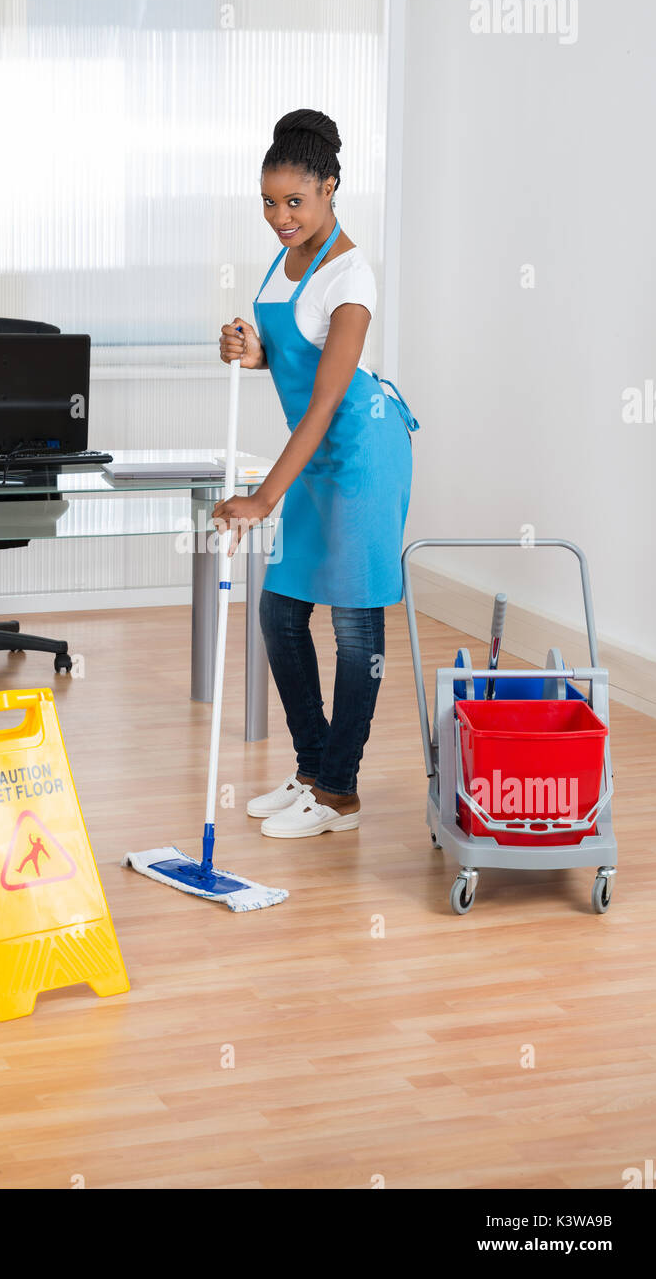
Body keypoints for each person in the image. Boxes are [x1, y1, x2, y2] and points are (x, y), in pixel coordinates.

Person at [213, 109, 419, 839]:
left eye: (294, 202)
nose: (279, 217)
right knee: (280, 610)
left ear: (330, 188)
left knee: (355, 626)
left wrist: (262, 498)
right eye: (268, 202)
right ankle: (311, 770)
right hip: (315, 449)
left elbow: (330, 395)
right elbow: (296, 358)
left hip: (359, 454)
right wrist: (249, 349)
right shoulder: (286, 257)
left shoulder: (350, 273)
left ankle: (339, 793)